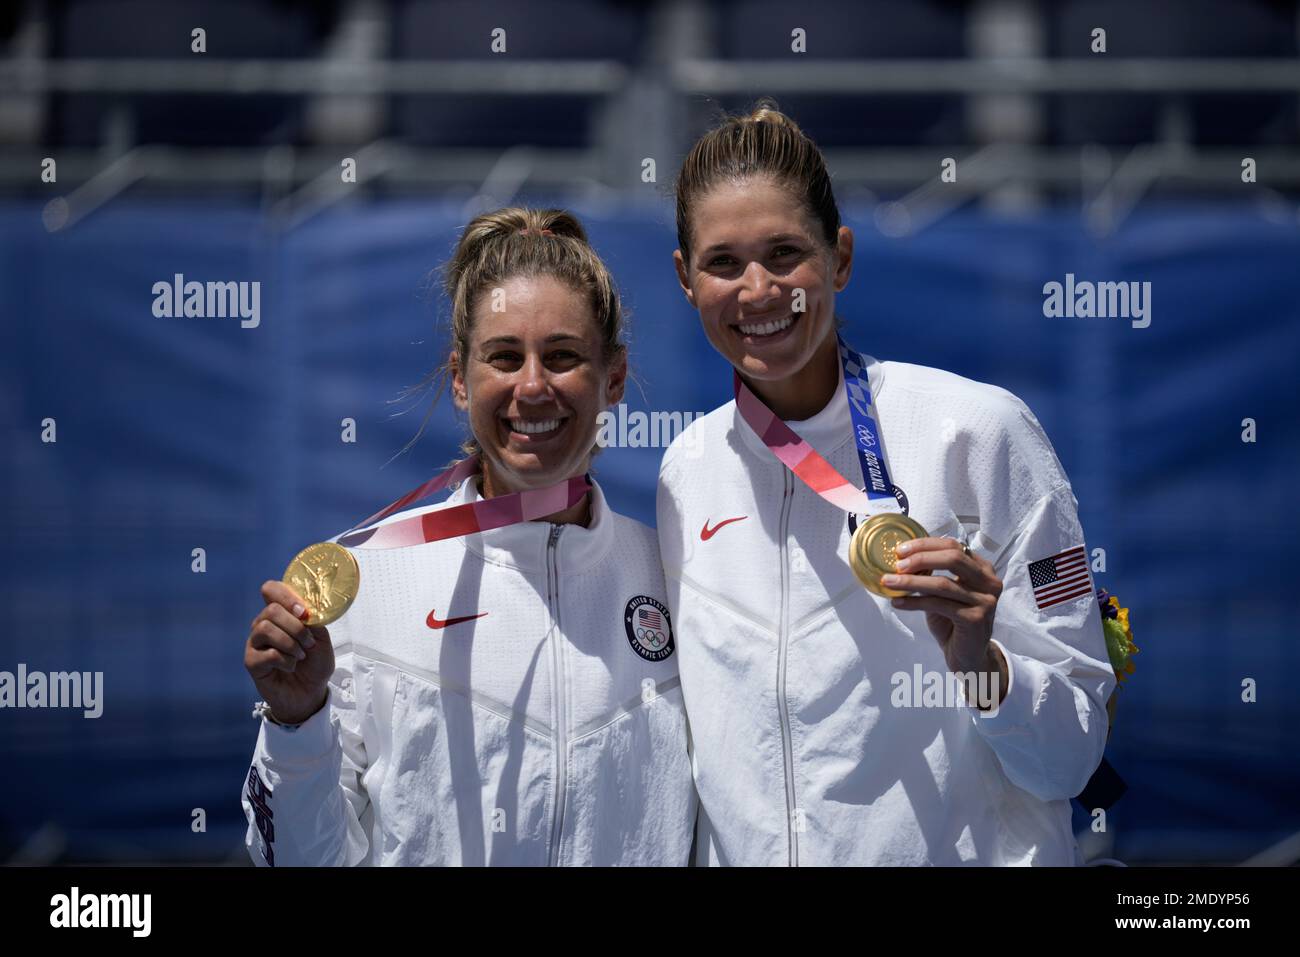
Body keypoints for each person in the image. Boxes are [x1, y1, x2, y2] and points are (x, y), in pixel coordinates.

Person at [656, 104, 1115, 866]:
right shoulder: (686, 471)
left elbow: (1071, 759)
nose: (760, 289)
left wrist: (982, 665)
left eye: (784, 252)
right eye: (724, 262)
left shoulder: (979, 434)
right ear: (684, 278)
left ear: (839, 257)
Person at [241, 208, 696, 866]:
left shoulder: (672, 576)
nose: (533, 386)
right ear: (460, 377)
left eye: (563, 356)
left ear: (614, 377)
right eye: (505, 357)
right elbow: (300, 860)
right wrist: (295, 720)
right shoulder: (366, 583)